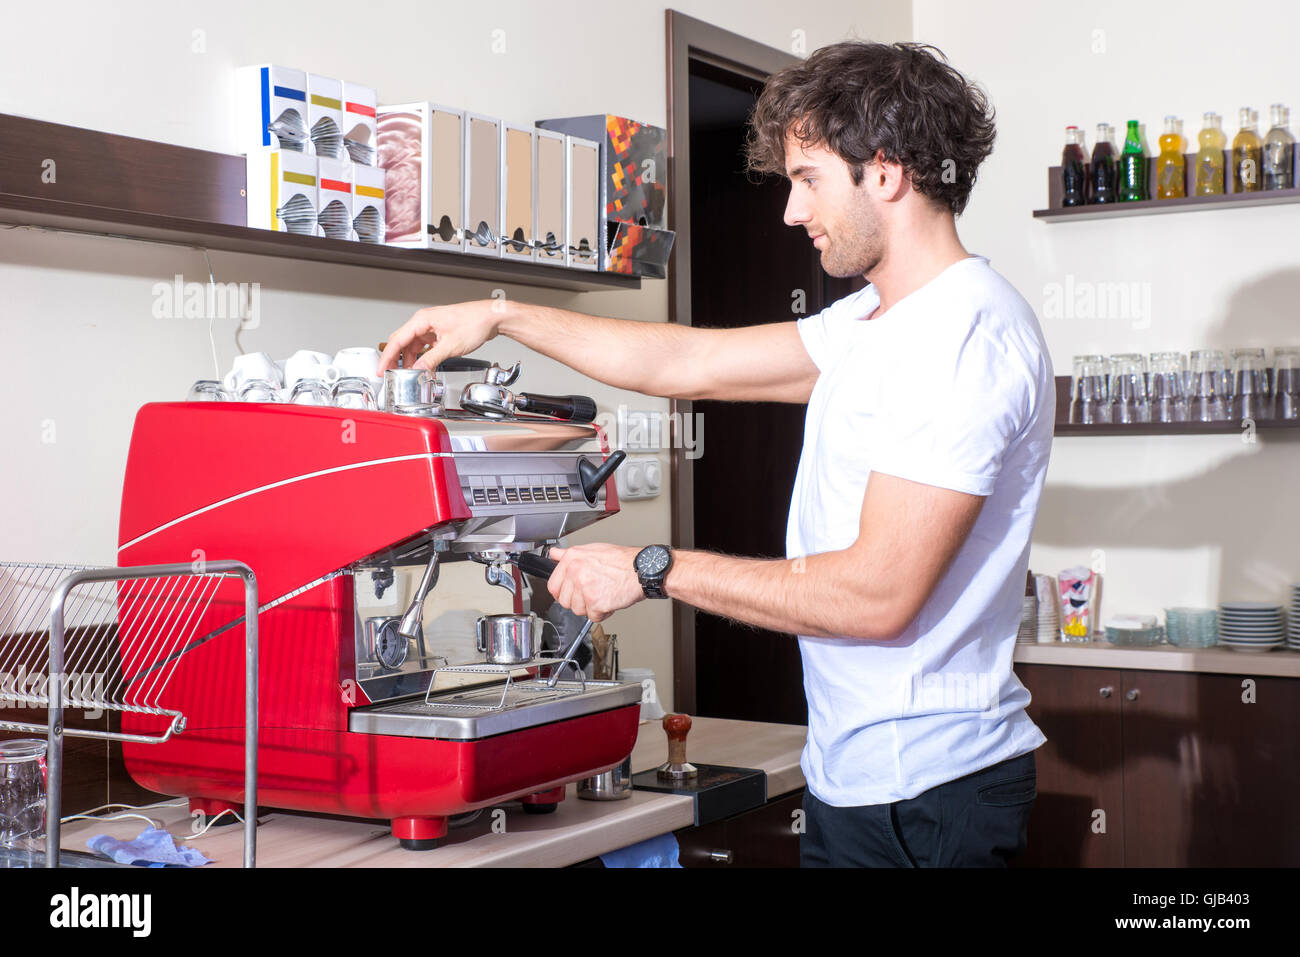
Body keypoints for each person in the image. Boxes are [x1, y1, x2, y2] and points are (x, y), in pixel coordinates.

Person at [379, 40, 1055, 867]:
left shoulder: (964, 335)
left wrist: (652, 567)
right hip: (859, 782)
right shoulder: (873, 324)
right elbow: (685, 362)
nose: (791, 212)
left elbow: (876, 595)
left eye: (808, 179)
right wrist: (502, 314)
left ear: (885, 172)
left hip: (928, 801)